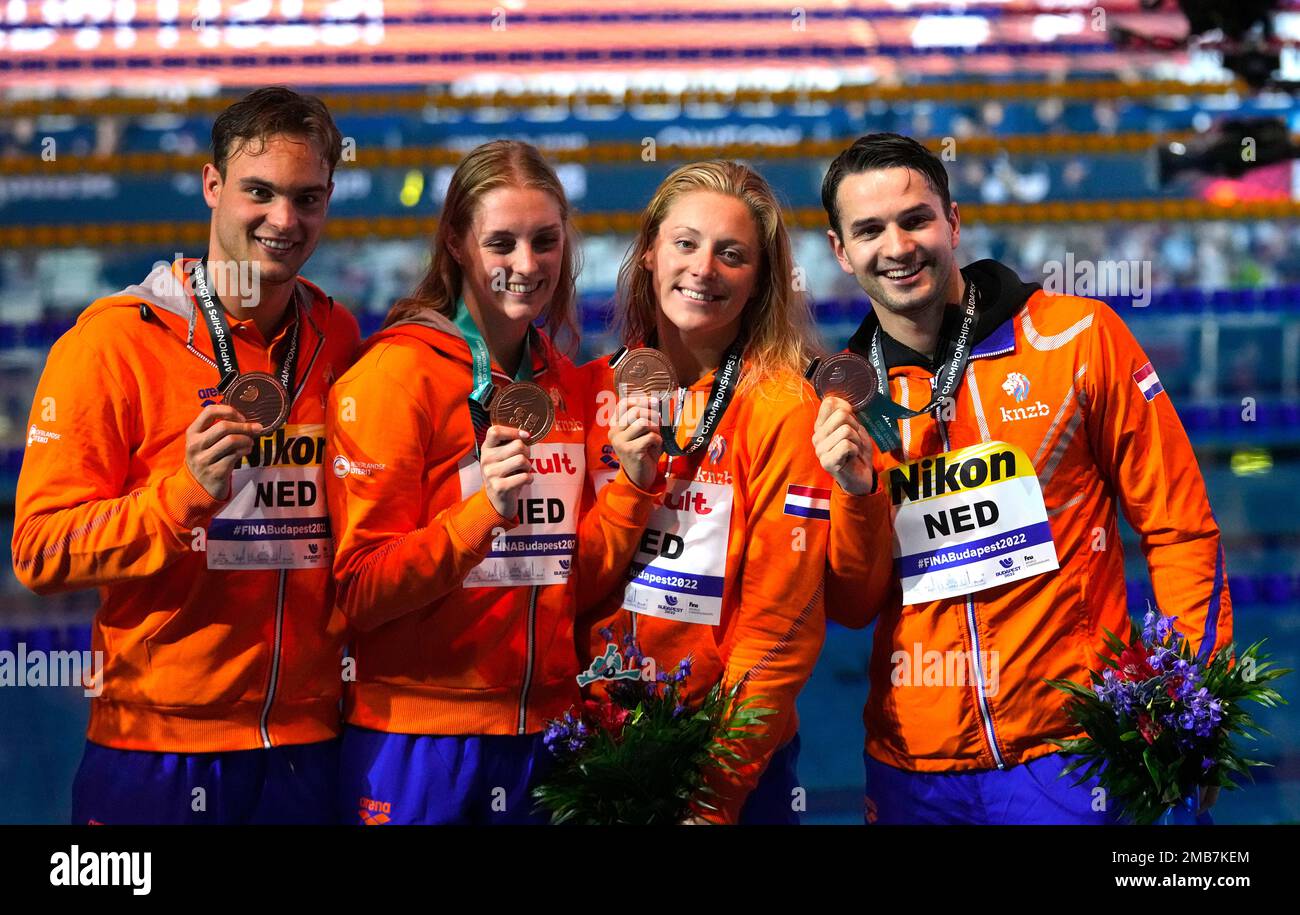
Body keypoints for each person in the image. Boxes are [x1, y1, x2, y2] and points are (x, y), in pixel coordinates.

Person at [811, 133, 1233, 824]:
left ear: (953, 220)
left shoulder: (1075, 338)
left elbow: (1179, 524)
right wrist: (857, 493)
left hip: (1075, 749)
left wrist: (1189, 706)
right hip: (914, 765)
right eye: (870, 230)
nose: (898, 246)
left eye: (915, 219)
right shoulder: (846, 399)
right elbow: (854, 605)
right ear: (840, 250)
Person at [11, 87, 359, 824]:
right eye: (258, 192)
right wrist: (182, 495)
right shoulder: (114, 343)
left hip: (308, 745)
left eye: (307, 198)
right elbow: (39, 552)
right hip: (157, 750)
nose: (284, 220)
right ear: (212, 186)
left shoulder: (339, 339)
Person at [325, 140, 661, 825]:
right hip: (420, 741)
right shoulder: (395, 379)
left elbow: (573, 578)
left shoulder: (560, 388)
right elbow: (358, 589)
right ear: (455, 240)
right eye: (500, 242)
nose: (526, 265)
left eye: (545, 241)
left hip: (545, 736)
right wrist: (480, 516)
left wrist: (630, 484)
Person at [579, 160, 832, 825]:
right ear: (648, 254)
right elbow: (561, 587)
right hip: (591, 747)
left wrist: (712, 799)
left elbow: (779, 627)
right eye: (686, 243)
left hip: (728, 761)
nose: (704, 268)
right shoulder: (586, 394)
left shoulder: (783, 408)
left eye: (732, 254)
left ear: (761, 281)